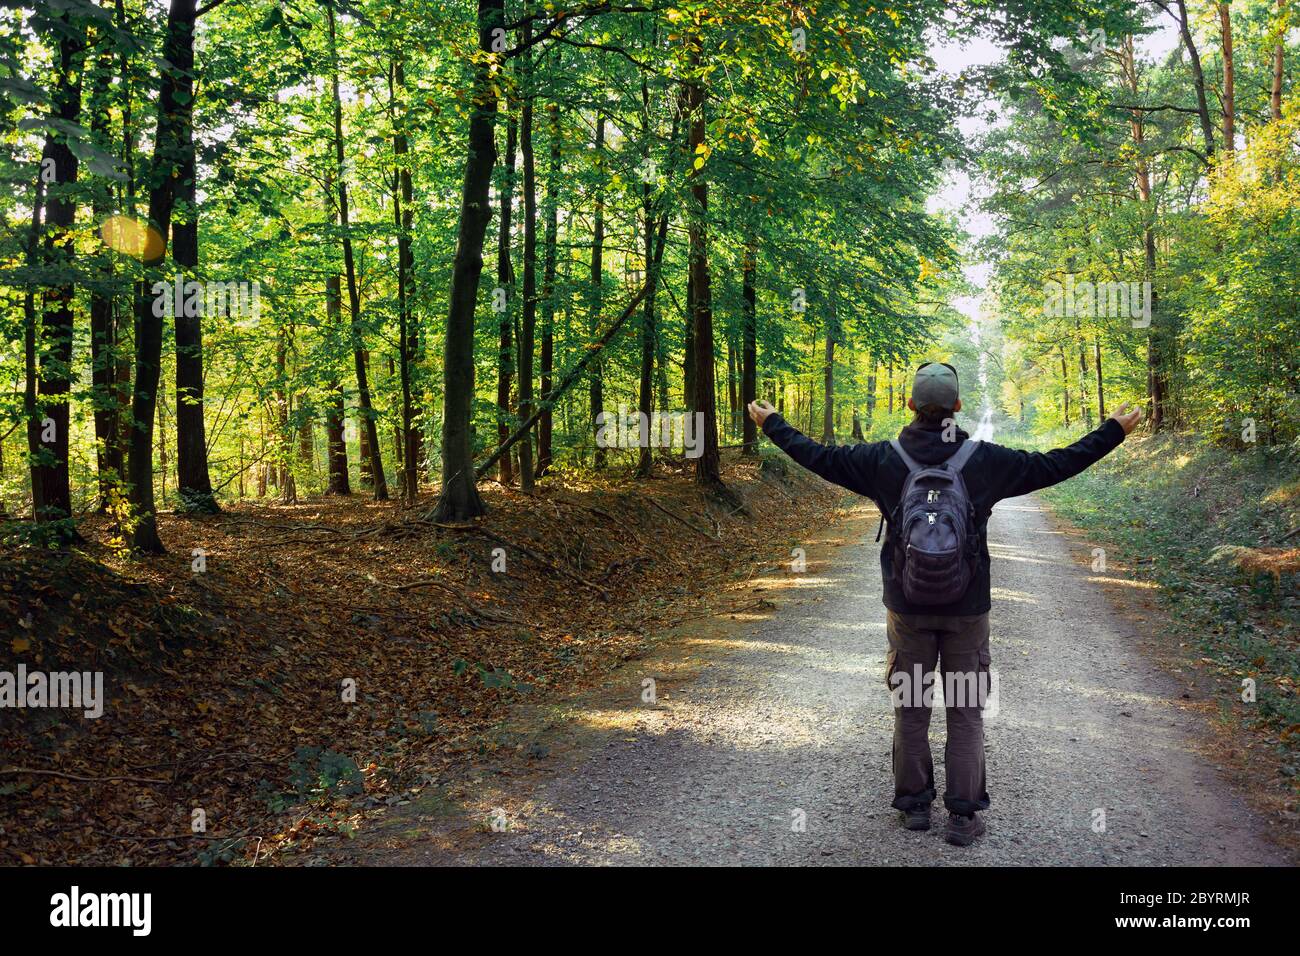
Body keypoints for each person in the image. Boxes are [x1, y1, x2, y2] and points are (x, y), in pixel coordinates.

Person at [747, 362, 1141, 846]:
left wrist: (772, 424)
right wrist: (1113, 431)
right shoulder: (984, 460)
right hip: (968, 606)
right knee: (966, 709)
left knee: (911, 707)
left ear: (910, 404)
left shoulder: (882, 459)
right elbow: (1056, 463)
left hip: (907, 605)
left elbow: (818, 456)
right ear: (958, 406)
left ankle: (914, 808)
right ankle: (962, 816)